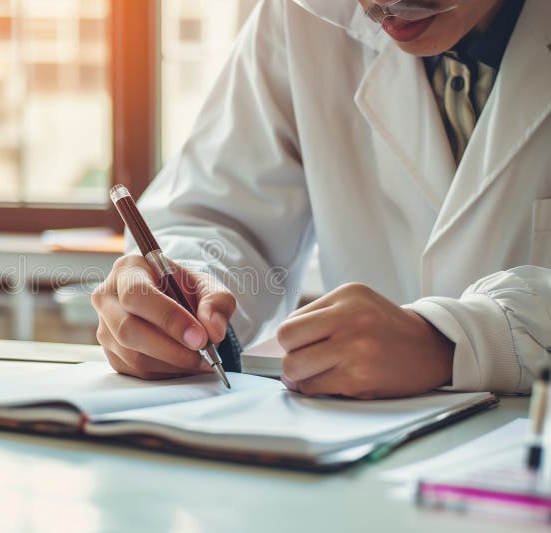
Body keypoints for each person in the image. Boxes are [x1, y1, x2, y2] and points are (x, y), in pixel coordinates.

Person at [91, 0, 551, 398]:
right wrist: (184, 297)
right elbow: (224, 214)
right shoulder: (301, 17)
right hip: (358, 457)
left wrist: (459, 340)